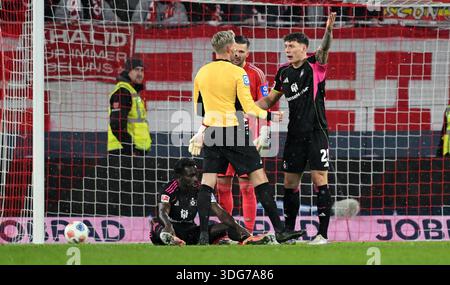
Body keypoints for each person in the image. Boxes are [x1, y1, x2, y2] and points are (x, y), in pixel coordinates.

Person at [189, 30, 305, 245]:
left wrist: (204, 129)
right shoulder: (237, 73)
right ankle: (280, 231)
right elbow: (250, 107)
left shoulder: (201, 73)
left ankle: (204, 234)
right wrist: (271, 116)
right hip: (234, 131)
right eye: (233, 46)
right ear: (228, 49)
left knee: (208, 182)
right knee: (259, 179)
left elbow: (199, 109)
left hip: (212, 132)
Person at [255, 13, 337, 245]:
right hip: (294, 134)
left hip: (316, 132)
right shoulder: (283, 72)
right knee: (290, 183)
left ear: (303, 48)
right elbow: (269, 100)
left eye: (291, 46)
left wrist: (328, 30)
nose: (287, 50)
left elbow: (325, 48)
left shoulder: (315, 64)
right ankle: (289, 233)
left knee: (320, 178)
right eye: (285, 46)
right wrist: (246, 107)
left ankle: (322, 234)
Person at [215, 35, 272, 233]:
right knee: (222, 184)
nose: (238, 55)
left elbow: (266, 103)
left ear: (247, 53)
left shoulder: (256, 74)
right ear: (229, 50)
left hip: (248, 135)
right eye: (235, 51)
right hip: (222, 133)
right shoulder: (219, 71)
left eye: (242, 51)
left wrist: (265, 130)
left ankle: (247, 232)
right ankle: (227, 231)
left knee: (247, 185)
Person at [149, 158, 275, 245]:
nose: (195, 179)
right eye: (190, 176)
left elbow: (219, 212)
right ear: (179, 177)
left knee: (228, 225)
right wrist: (168, 225)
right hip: (172, 228)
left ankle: (248, 240)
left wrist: (240, 229)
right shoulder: (169, 189)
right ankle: (168, 239)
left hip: (191, 232)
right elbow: (162, 212)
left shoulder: (201, 189)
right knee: (157, 228)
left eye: (196, 175)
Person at [107, 58, 152, 216]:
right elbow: (117, 125)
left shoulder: (133, 92)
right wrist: (130, 148)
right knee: (125, 194)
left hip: (135, 151)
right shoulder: (123, 91)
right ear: (128, 71)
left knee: (133, 194)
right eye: (136, 70)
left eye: (142, 70)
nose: (140, 73)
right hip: (124, 152)